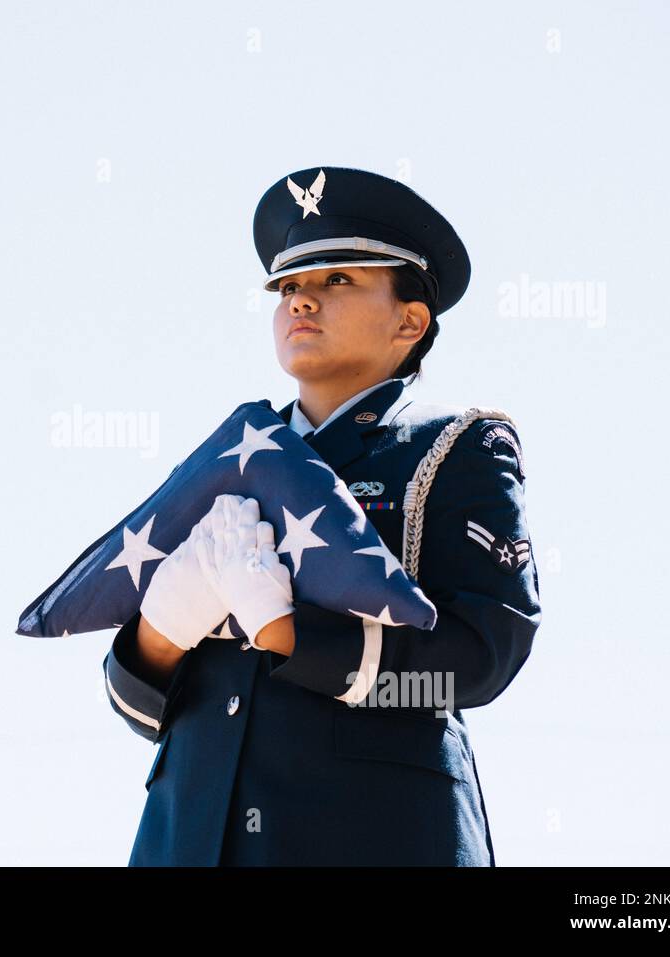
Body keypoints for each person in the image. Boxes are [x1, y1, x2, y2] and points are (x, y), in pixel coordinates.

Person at [101, 166, 541, 866]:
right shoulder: (226, 464)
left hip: (374, 839)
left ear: (410, 319)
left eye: (337, 280)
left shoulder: (456, 445)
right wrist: (159, 630)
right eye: (288, 287)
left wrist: (287, 633)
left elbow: (480, 660)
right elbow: (141, 708)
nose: (300, 301)